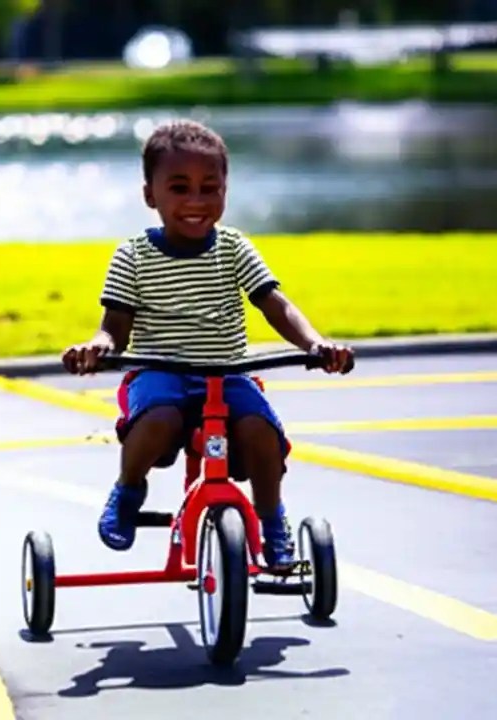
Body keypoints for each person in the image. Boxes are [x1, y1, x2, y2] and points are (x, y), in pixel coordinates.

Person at [61, 119, 354, 568]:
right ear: (150, 195)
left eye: (209, 188)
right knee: (158, 416)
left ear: (225, 191)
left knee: (262, 431)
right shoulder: (133, 256)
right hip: (160, 373)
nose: (196, 201)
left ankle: (271, 517)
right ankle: (128, 488)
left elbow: (275, 305)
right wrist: (96, 347)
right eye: (179, 188)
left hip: (226, 374)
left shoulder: (233, 248)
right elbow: (114, 327)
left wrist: (316, 344)